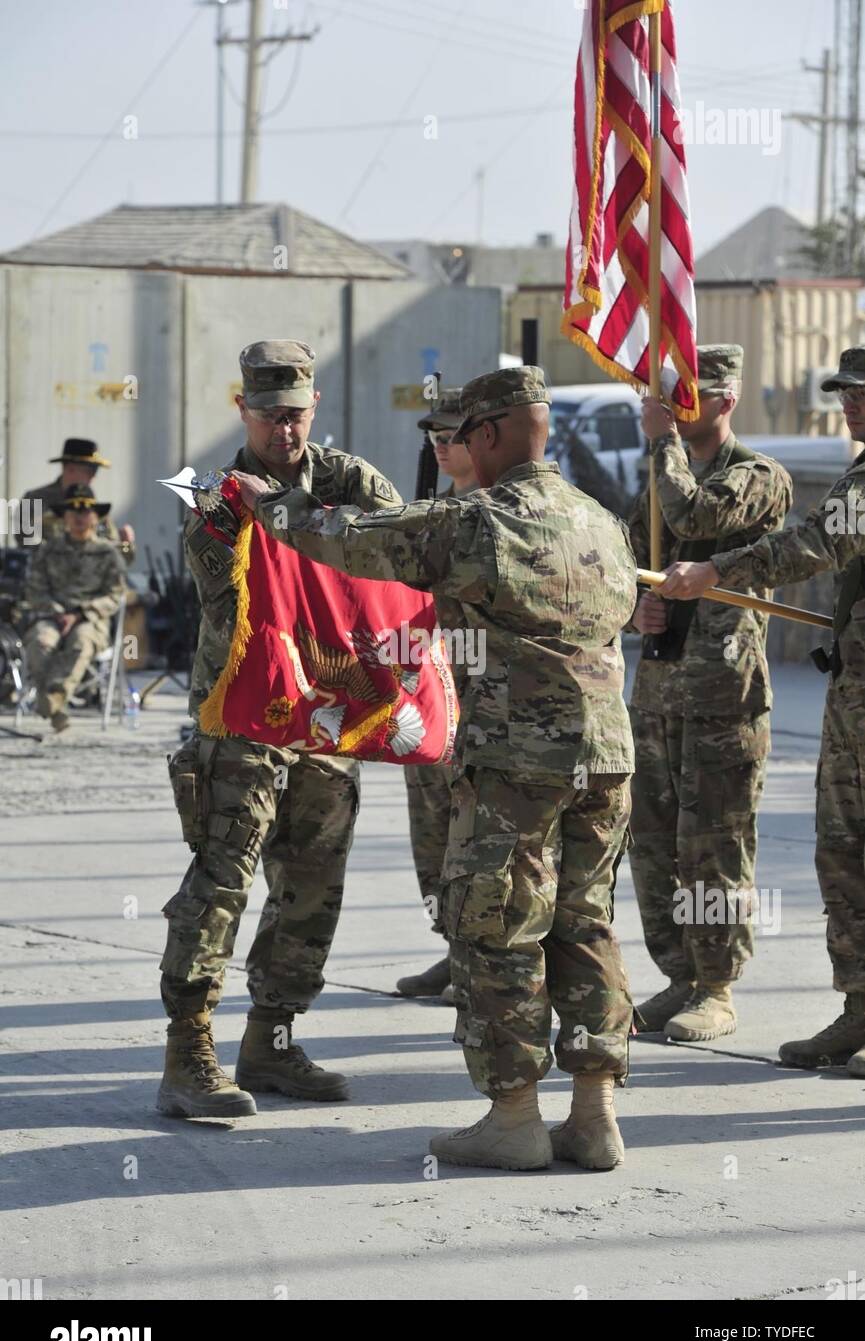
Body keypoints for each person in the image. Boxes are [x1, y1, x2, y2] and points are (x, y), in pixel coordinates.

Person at [235, 366, 636, 1173]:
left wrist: (265, 502)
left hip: (516, 764)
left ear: (485, 435)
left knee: (497, 931)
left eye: (461, 433)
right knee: (584, 925)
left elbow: (346, 539)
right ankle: (593, 1115)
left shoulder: (478, 521)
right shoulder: (599, 520)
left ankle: (514, 1115)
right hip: (607, 759)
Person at [157, 339, 402, 1120]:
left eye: (294, 415)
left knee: (312, 884)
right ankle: (188, 1052)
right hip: (242, 711)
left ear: (313, 408)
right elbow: (229, 592)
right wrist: (303, 528)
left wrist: (295, 517)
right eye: (268, 416)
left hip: (329, 714)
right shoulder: (209, 491)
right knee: (222, 879)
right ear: (243, 411)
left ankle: (271, 1038)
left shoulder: (351, 480)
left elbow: (397, 556)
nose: (283, 431)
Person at [657, 345, 865, 1077]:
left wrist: (719, 569)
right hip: (851, 696)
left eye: (859, 392)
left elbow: (816, 542)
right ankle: (858, 1007)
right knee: (843, 851)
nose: (848, 403)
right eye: (842, 390)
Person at [628, 346, 792, 1042]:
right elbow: (635, 554)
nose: (672, 409)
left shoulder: (758, 477)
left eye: (686, 398)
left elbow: (693, 518)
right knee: (654, 842)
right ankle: (678, 973)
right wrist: (635, 610)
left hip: (722, 692)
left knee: (713, 843)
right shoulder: (662, 477)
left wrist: (662, 440)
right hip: (659, 689)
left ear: (724, 401)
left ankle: (716, 985)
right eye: (668, 398)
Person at [396, 387, 477, 1005]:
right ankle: (453, 946)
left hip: (484, 699)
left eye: (452, 433)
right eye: (434, 435)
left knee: (477, 834)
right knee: (433, 833)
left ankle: (483, 959)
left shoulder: (498, 511)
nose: (441, 444)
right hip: (430, 694)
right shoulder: (428, 509)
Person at [21, 484, 126, 732]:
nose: (79, 517)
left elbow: (115, 595)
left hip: (90, 620)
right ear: (64, 517)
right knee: (40, 641)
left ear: (96, 517)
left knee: (81, 642)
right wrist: (58, 612)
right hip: (52, 616)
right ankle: (56, 707)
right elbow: (34, 589)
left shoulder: (108, 553)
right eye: (73, 511)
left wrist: (79, 613)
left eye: (86, 511)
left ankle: (53, 698)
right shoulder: (48, 551)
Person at [17, 438, 136, 563]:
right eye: (90, 471)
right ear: (70, 469)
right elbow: (28, 544)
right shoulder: (34, 501)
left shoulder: (94, 509)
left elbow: (113, 556)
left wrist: (125, 545)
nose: (93, 477)